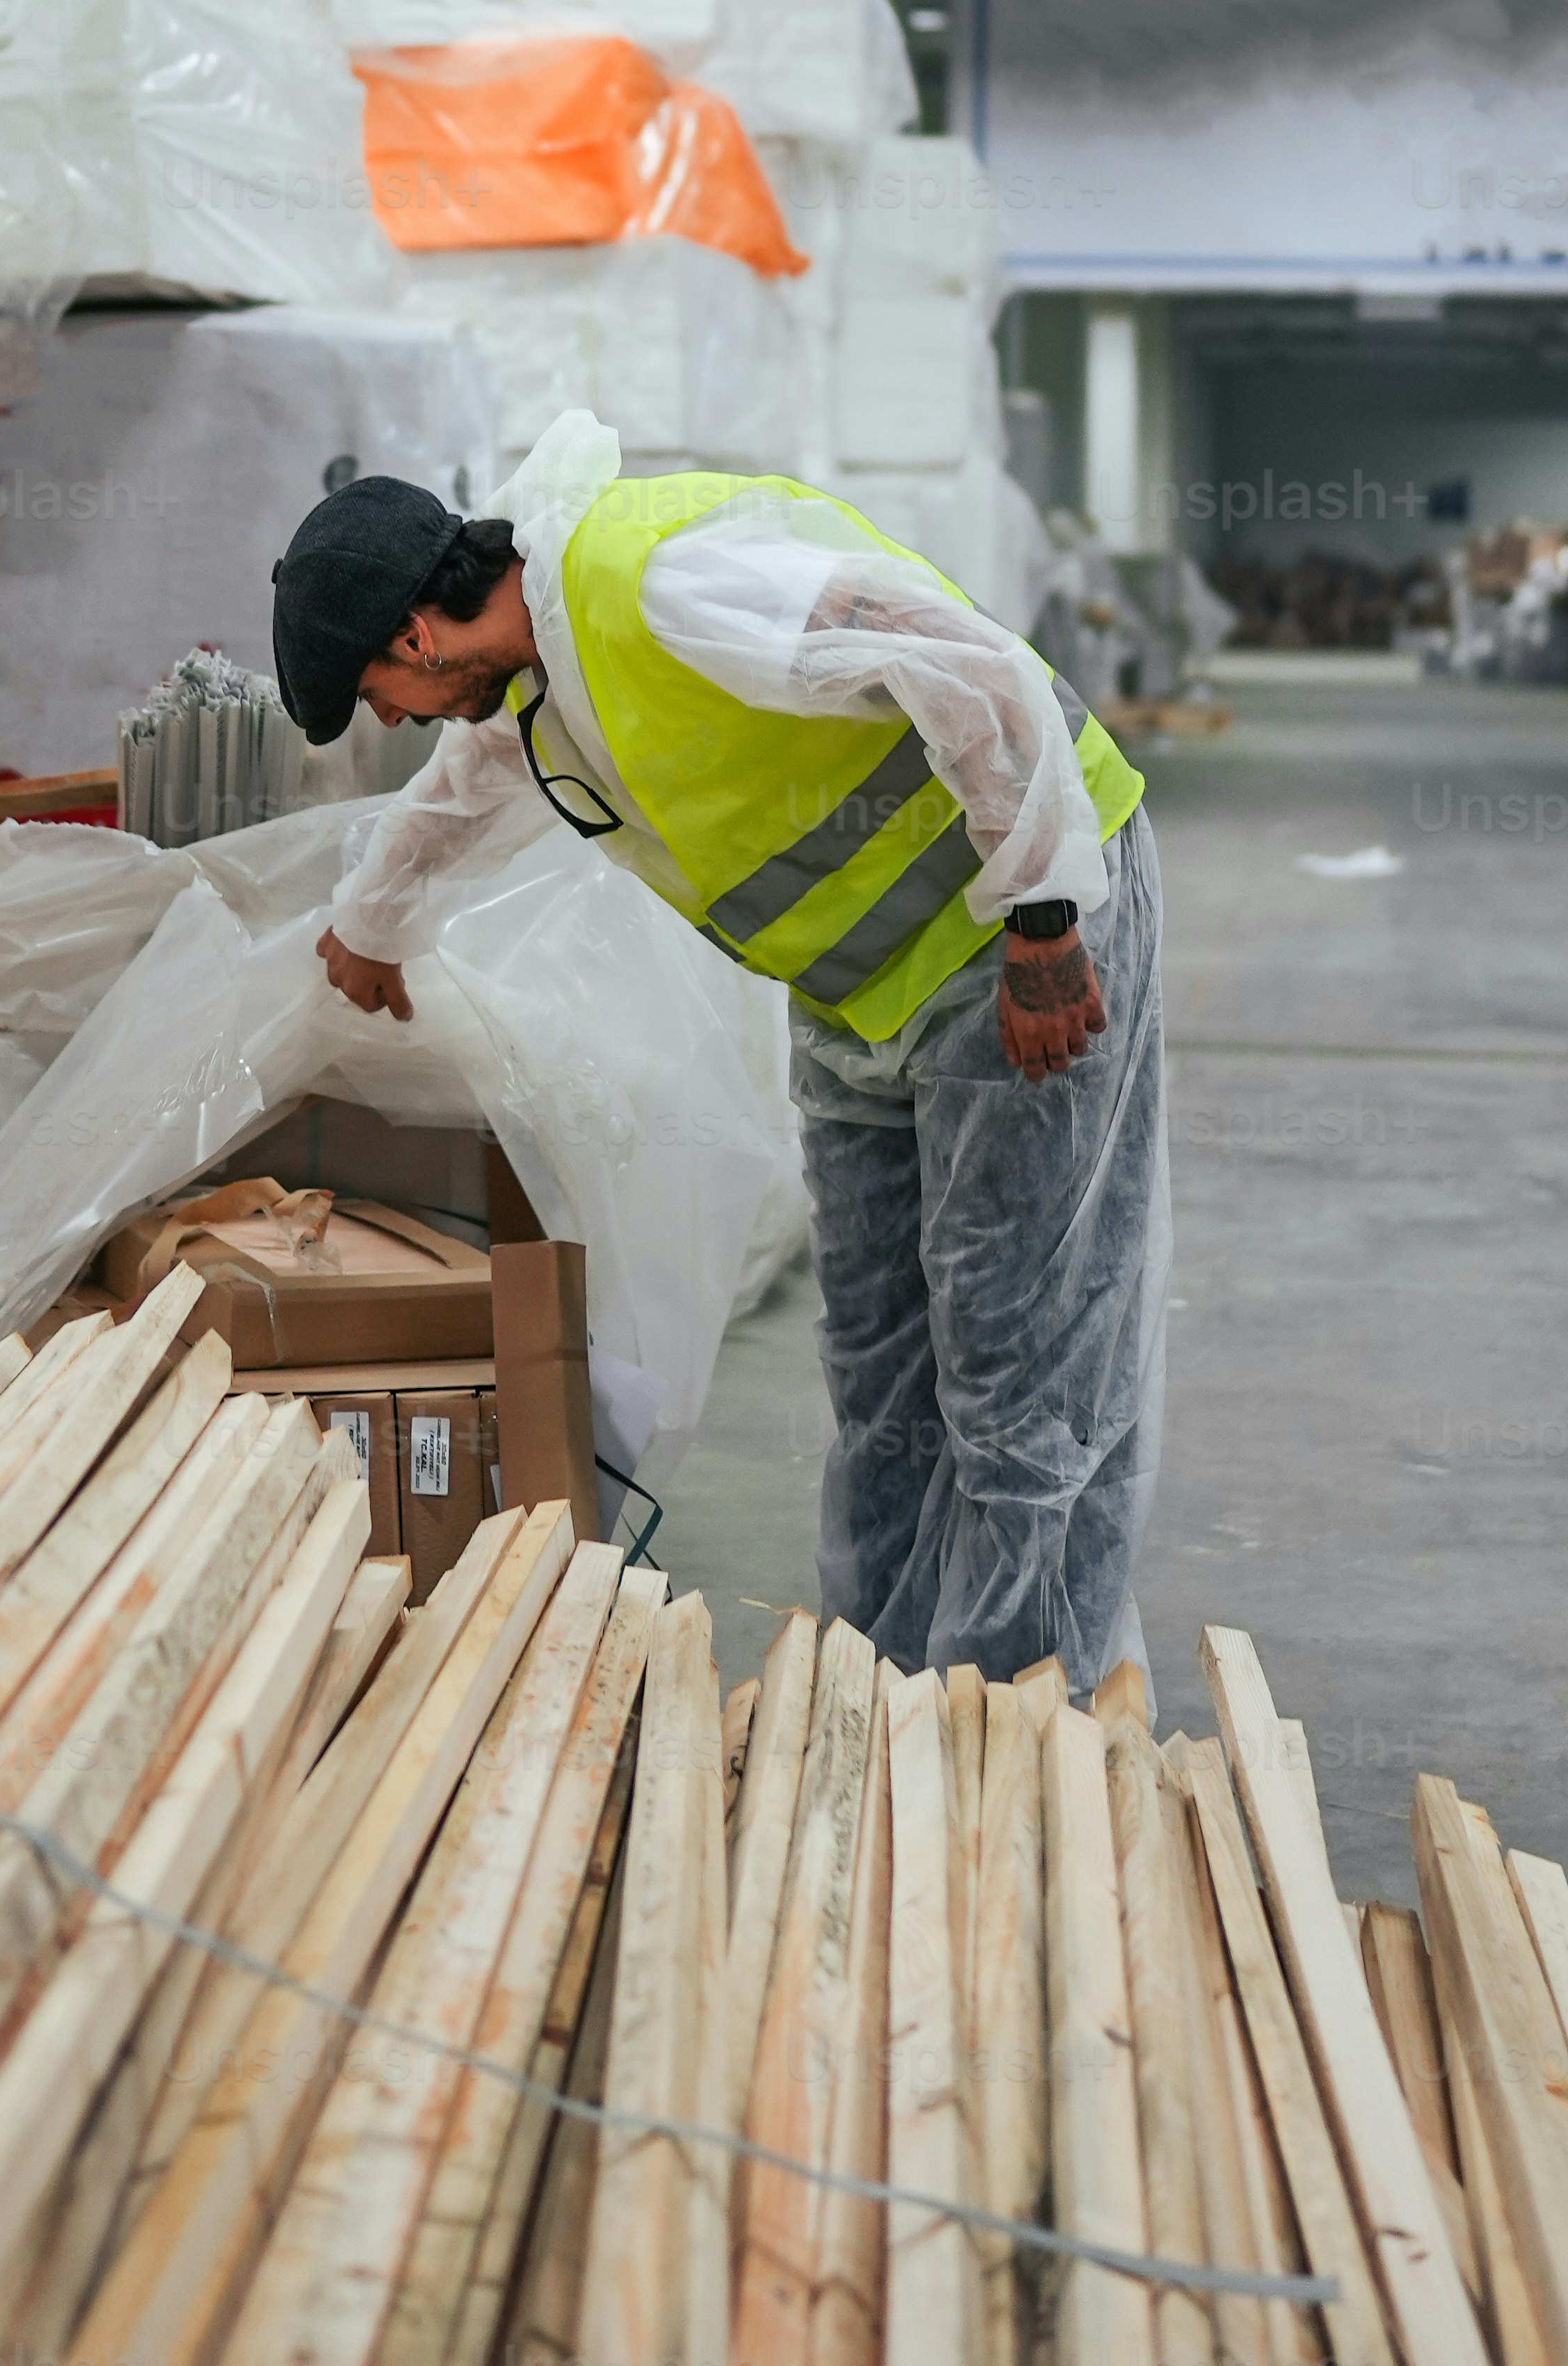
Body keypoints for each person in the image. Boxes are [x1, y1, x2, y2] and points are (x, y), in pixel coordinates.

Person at [268, 409, 1168, 1691]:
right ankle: (879, 1694)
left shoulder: (659, 582)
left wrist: (1041, 918)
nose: (399, 716)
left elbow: (964, 665)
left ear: (415, 635)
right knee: (879, 1367)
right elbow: (466, 780)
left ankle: (1020, 1721)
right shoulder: (543, 676)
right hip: (863, 993)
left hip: (1014, 944)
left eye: (379, 692)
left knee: (1018, 1366)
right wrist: (370, 925)